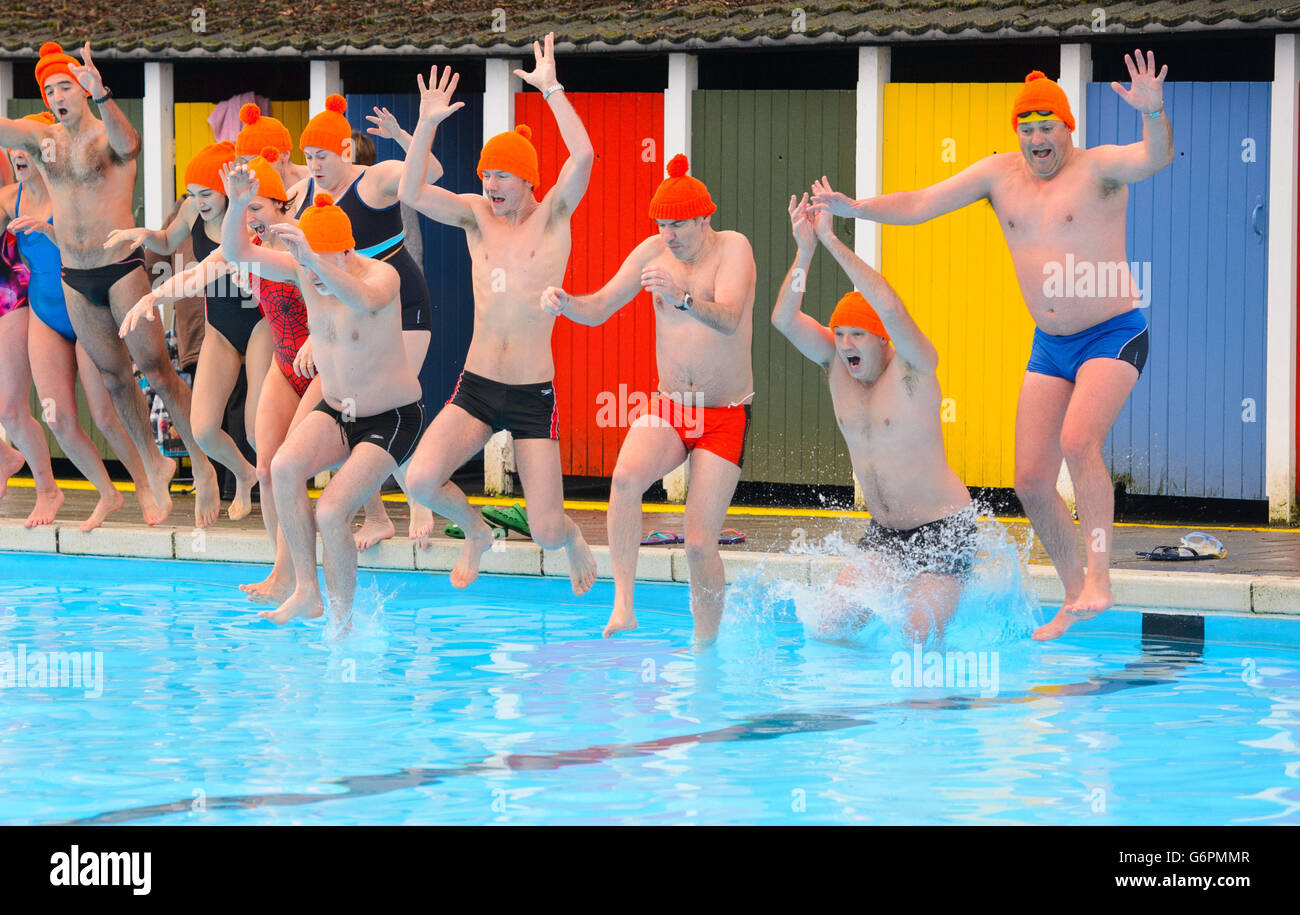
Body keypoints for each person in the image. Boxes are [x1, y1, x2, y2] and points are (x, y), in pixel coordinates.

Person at [811, 51, 1173, 641]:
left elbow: (1154, 156)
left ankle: (1101, 577)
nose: (1037, 140)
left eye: (1046, 127)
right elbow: (924, 202)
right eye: (1026, 130)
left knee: (1078, 441)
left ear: (1066, 129)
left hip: (1114, 331)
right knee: (1029, 479)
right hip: (1051, 345)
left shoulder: (1100, 168)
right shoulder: (997, 177)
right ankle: (1073, 591)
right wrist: (857, 209)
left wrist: (1153, 112)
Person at [399, 39, 597, 596]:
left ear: (530, 180)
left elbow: (582, 158)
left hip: (533, 393)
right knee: (419, 480)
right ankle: (476, 532)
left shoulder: (555, 216)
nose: (491, 185)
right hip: (477, 387)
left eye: (503, 177)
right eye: (487, 175)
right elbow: (412, 191)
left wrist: (552, 90)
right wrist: (426, 125)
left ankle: (574, 537)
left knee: (548, 530)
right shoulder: (476, 217)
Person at [0, 41, 221, 527]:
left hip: (121, 268)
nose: (58, 95)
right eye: (49, 88)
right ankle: (152, 468)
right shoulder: (42, 140)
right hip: (75, 278)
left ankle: (203, 468)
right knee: (117, 379)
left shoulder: (106, 136)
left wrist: (103, 96)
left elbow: (131, 146)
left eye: (65, 86)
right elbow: (6, 128)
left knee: (157, 371)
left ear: (82, 88)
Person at [540, 153, 756, 642]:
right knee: (625, 478)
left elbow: (729, 317)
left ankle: (707, 643)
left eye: (678, 225)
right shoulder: (651, 254)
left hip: (724, 415)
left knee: (700, 544)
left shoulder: (733, 250)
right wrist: (565, 303)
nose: (669, 236)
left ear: (705, 218)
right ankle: (623, 605)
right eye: (661, 226)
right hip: (670, 407)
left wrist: (681, 297)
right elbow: (597, 309)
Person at [773, 194, 977, 639]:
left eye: (858, 335)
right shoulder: (834, 363)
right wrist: (804, 251)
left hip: (943, 530)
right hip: (886, 536)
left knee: (918, 636)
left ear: (883, 339)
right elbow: (784, 320)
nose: (846, 344)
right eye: (840, 333)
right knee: (827, 629)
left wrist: (831, 240)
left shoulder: (913, 367)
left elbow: (890, 307)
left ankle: (944, 705)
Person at [242, 191, 424, 625]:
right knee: (283, 467)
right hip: (339, 410)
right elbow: (237, 251)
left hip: (392, 417)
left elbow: (361, 299)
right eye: (308, 263)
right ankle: (307, 590)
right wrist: (236, 203)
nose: (314, 275)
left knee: (331, 510)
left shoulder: (383, 277)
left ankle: (341, 624)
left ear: (348, 251)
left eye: (324, 261)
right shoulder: (307, 268)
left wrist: (311, 260)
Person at [289, 88, 443, 550]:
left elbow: (430, 173)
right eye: (307, 157)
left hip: (402, 308)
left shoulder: (374, 180)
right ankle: (376, 516)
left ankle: (418, 496)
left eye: (321, 156)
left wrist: (403, 135)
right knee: (342, 406)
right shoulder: (307, 190)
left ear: (345, 149)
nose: (313, 165)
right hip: (351, 314)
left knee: (380, 404)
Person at [0, 111, 165, 530]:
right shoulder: (9, 199)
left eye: (28, 147)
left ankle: (146, 482)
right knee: (56, 416)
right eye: (14, 148)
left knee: (105, 413)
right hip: (44, 313)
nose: (20, 155)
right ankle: (107, 493)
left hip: (85, 308)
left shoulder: (69, 195)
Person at [114, 141, 266, 521]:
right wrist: (144, 233)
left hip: (261, 323)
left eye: (207, 194)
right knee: (202, 430)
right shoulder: (189, 211)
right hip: (221, 329)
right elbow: (167, 241)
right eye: (193, 194)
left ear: (226, 189)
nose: (199, 202)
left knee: (255, 430)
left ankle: (276, 502)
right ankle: (243, 474)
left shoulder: (248, 214)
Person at [219, 157, 322, 603]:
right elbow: (229, 252)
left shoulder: (302, 241)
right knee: (265, 466)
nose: (250, 219)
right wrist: (238, 203)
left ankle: (291, 573)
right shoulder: (252, 245)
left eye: (257, 208)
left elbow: (336, 293)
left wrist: (318, 337)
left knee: (290, 468)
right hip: (285, 364)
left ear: (284, 203)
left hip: (323, 365)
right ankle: (281, 569)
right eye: (243, 211)